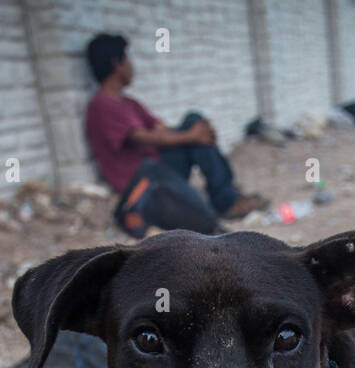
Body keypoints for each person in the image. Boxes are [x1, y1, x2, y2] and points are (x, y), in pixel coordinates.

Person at [84, 34, 267, 233]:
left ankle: (227, 199)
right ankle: (226, 201)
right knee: (192, 131)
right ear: (116, 63)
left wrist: (197, 131)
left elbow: (161, 130)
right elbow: (143, 137)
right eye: (127, 59)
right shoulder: (102, 105)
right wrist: (191, 136)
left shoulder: (129, 103)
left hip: (159, 167)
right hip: (142, 179)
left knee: (193, 119)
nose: (132, 66)